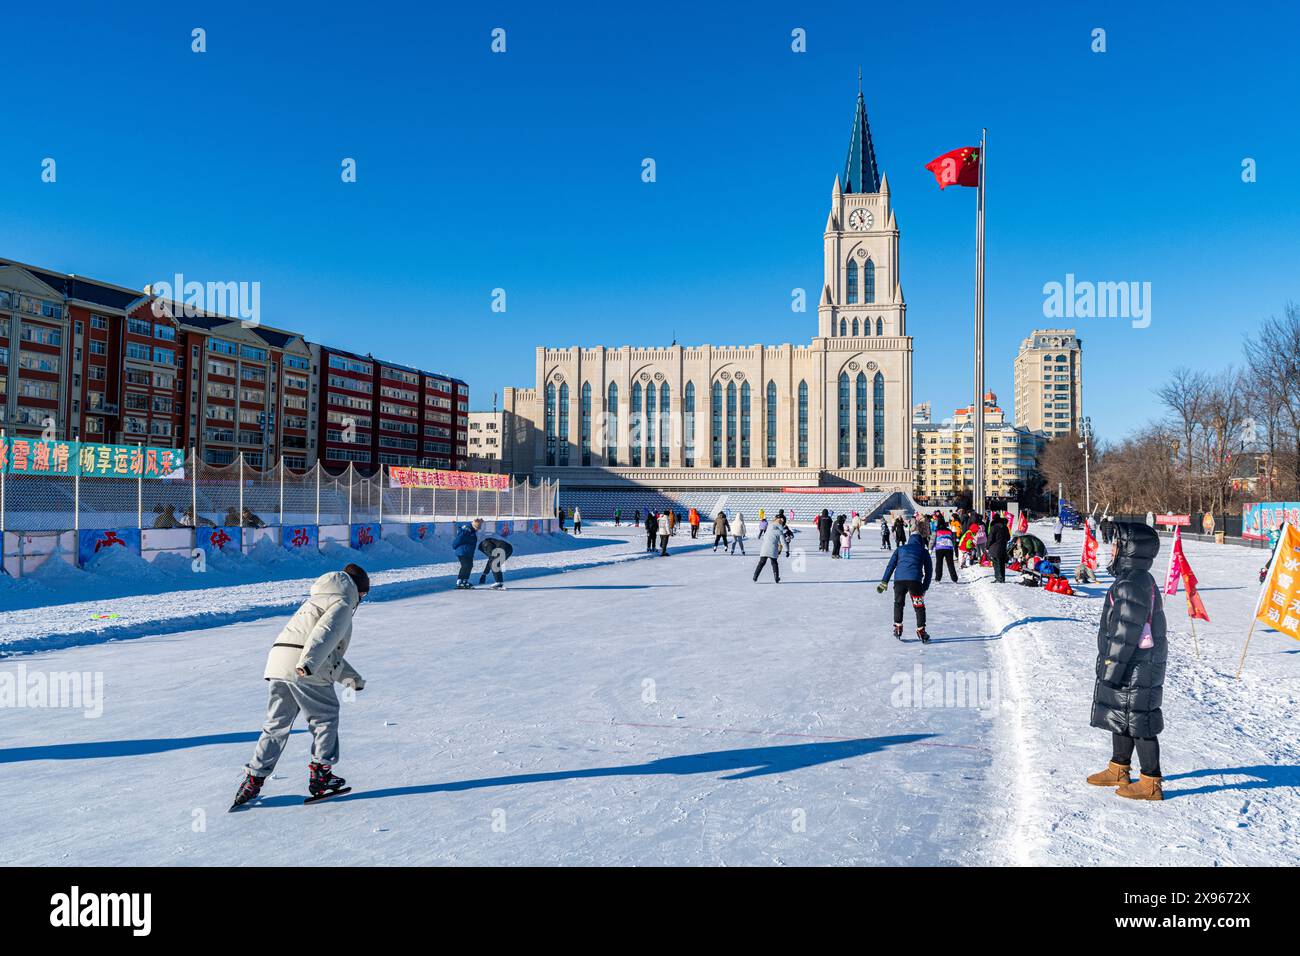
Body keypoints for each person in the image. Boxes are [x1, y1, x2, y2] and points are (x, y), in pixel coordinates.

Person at [231, 564, 369, 809]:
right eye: (363, 595)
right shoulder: (343, 603)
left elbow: (328, 651)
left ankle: (253, 779)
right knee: (325, 717)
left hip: (278, 663)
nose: (362, 600)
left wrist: (353, 679)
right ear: (357, 589)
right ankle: (321, 774)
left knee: (276, 725)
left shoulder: (316, 601)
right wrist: (307, 664)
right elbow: (325, 635)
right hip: (303, 666)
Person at [1086, 521, 1168, 801]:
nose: (1112, 548)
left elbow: (1125, 632)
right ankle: (1119, 767)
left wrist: (1111, 667)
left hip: (1136, 665)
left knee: (1140, 722)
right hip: (1132, 664)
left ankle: (1151, 781)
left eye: (1116, 544)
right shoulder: (1132, 578)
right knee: (1121, 716)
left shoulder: (1132, 582)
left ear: (1130, 549)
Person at [877, 531, 933, 643]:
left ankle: (898, 627)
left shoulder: (900, 549)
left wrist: (884, 581)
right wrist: (924, 587)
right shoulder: (923, 551)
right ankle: (921, 631)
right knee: (919, 606)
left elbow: (891, 566)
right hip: (915, 581)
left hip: (899, 581)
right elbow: (929, 571)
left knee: (898, 603)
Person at [753, 514, 785, 583]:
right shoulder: (779, 531)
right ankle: (776, 578)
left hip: (764, 548)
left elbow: (765, 538)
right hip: (772, 549)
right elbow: (781, 543)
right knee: (774, 563)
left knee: (761, 563)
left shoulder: (769, 528)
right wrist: (783, 551)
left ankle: (755, 576)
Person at [453, 518, 483, 588]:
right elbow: (458, 539)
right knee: (465, 565)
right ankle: (460, 581)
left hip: (468, 552)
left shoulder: (471, 531)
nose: (477, 530)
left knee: (469, 565)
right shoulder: (466, 530)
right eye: (477, 528)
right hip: (462, 552)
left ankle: (465, 580)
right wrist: (454, 546)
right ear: (474, 526)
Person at [987, 513, 1011, 583]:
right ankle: (1002, 578)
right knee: (1002, 563)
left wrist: (987, 546)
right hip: (1003, 547)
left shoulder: (994, 527)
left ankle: (998, 578)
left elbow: (990, 538)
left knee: (996, 563)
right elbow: (1008, 538)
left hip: (995, 548)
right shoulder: (1005, 527)